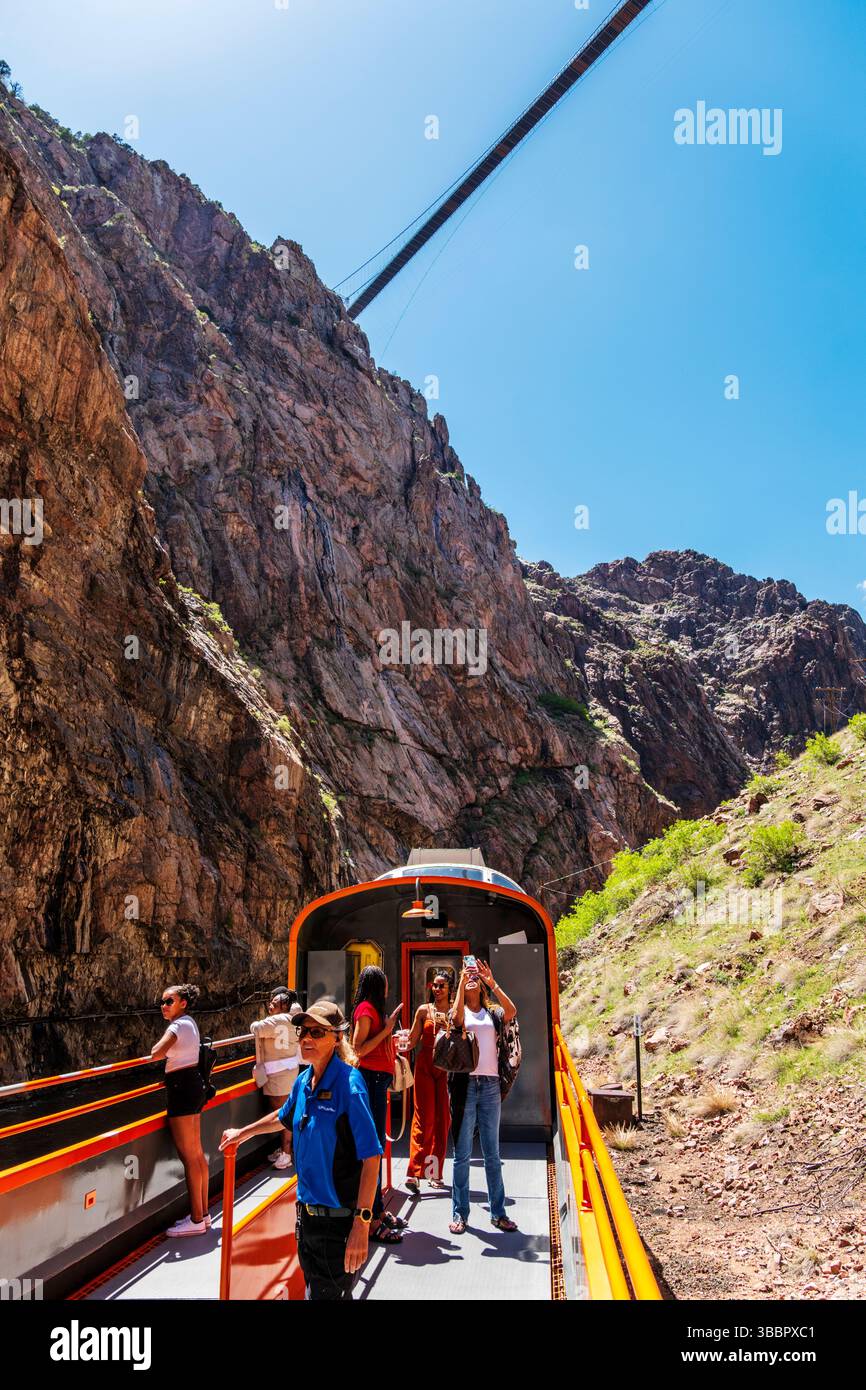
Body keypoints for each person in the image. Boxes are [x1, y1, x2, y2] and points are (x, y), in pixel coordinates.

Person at [220, 1001, 381, 1300]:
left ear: (337, 1037)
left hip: (338, 1225)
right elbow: (283, 1116)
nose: (306, 1039)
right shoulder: (303, 1082)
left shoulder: (350, 1085)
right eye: (303, 1031)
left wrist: (362, 1224)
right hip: (306, 1222)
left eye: (317, 1032)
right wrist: (243, 1133)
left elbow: (372, 1157)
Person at [448, 958, 519, 1235]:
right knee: (462, 1154)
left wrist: (493, 982)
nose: (473, 979)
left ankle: (498, 1213)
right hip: (465, 1085)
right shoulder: (461, 1013)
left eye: (476, 978)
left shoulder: (492, 1014)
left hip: (489, 1084)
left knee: (492, 1153)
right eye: (469, 978)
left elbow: (512, 1010)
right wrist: (460, 985)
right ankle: (459, 1213)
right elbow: (454, 1020)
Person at [350, 965, 405, 1242]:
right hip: (370, 1080)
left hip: (377, 1081)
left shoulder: (373, 1012)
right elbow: (358, 1048)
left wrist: (390, 1036)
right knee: (372, 1149)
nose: (387, 987)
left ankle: (378, 1209)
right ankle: (370, 1217)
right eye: (384, 982)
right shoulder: (366, 1011)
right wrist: (387, 1031)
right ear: (377, 985)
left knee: (378, 1147)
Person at [151, 982, 210, 1237]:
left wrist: (160, 1051)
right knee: (197, 1155)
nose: (164, 1006)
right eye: (162, 1002)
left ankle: (196, 1219)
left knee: (189, 1156)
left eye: (169, 1001)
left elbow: (156, 1053)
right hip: (192, 1086)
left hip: (181, 1089)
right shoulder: (190, 1023)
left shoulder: (178, 1025)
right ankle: (204, 1215)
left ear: (183, 1003)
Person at [404, 969, 453, 1193]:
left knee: (442, 1120)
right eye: (434, 985)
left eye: (442, 985)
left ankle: (434, 1172)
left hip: (447, 1066)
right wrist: (395, 1042)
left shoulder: (455, 1011)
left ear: (450, 989)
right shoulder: (424, 1010)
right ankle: (414, 1172)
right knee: (424, 1118)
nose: (437, 989)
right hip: (425, 1063)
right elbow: (413, 1040)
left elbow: (465, 1037)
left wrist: (450, 1029)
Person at [251, 987, 302, 1169]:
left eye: (274, 1004)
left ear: (283, 1005)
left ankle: (287, 1153)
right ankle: (284, 1149)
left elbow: (256, 1028)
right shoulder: (293, 1021)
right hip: (287, 1071)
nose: (270, 1006)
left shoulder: (276, 1021)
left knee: (281, 1115)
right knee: (284, 1112)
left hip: (278, 1074)